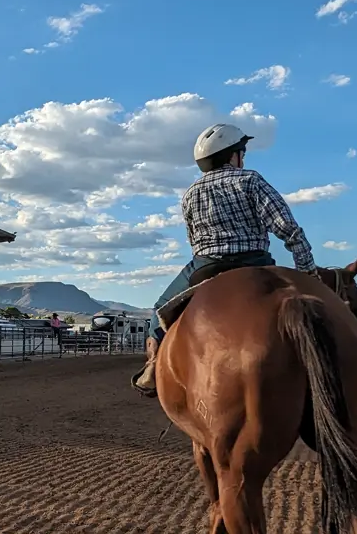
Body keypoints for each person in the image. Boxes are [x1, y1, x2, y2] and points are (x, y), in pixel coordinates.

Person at [131, 123, 318, 396]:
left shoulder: (190, 193)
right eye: (243, 152)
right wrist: (308, 273)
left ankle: (153, 367)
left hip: (206, 265)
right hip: (255, 263)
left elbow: (194, 240)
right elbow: (288, 229)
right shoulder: (250, 180)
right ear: (233, 155)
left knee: (159, 312)